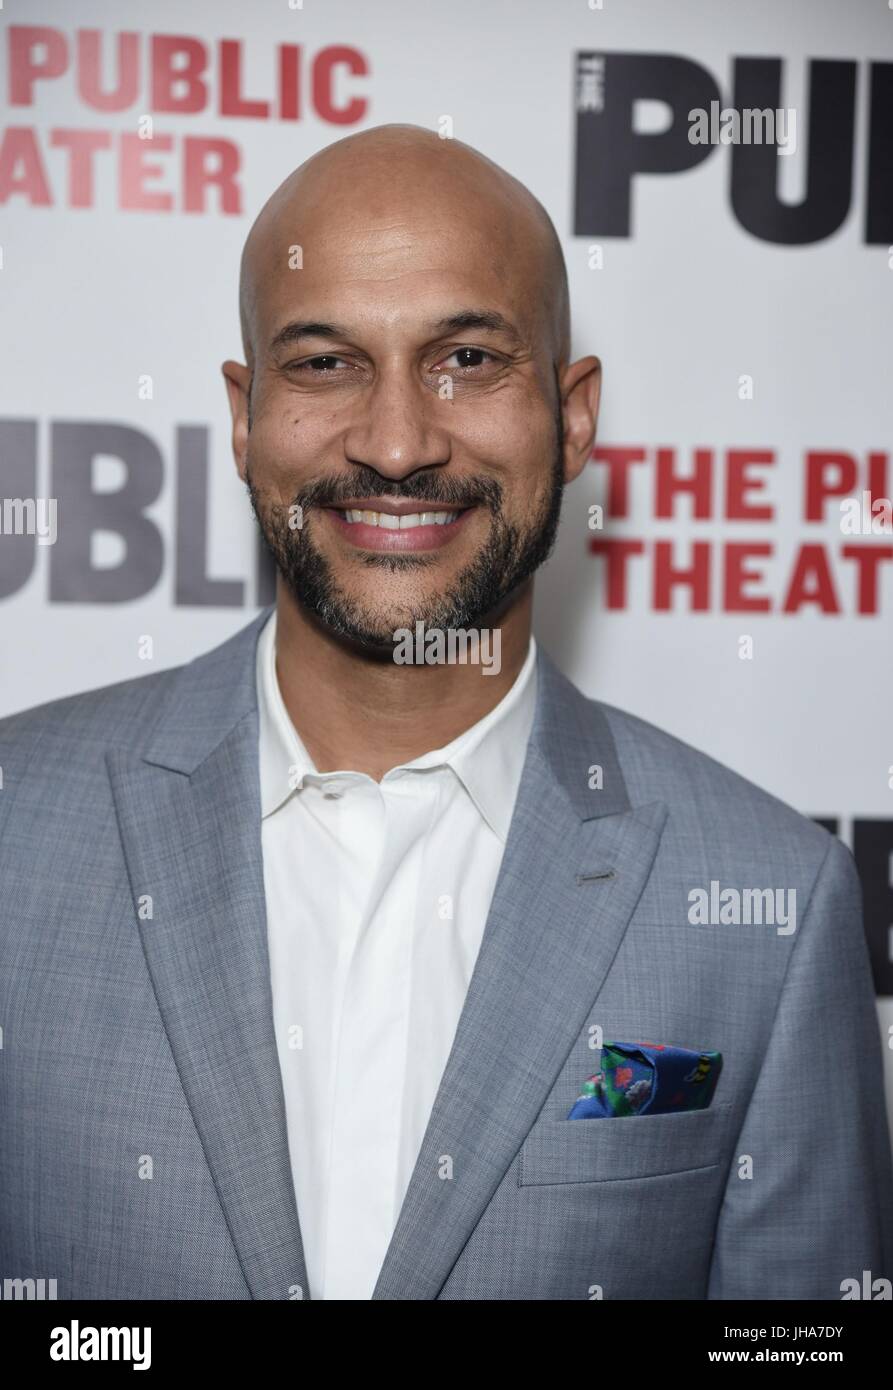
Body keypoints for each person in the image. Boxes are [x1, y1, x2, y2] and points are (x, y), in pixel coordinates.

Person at [1, 124, 890, 1301]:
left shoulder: (769, 905)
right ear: (244, 414)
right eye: (324, 363)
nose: (397, 442)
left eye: (466, 358)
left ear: (571, 417)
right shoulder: (18, 829)